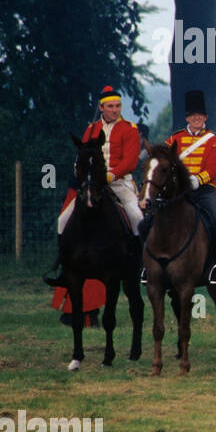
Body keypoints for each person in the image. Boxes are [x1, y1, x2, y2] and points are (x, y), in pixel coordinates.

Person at [46, 85, 143, 287]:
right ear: (101, 108)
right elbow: (82, 155)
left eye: (117, 106)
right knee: (62, 220)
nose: (115, 110)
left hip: (119, 182)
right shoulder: (91, 129)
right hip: (92, 183)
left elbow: (131, 162)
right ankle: (64, 266)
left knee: (136, 215)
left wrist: (109, 175)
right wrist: (80, 172)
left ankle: (140, 264)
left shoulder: (130, 129)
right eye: (110, 106)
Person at [164, 89, 216, 285]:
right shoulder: (174, 139)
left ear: (205, 117)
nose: (196, 118)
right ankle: (152, 266)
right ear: (187, 118)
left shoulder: (214, 141)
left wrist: (197, 180)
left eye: (200, 115)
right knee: (154, 218)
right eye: (193, 116)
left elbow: (212, 170)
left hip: (204, 191)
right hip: (180, 191)